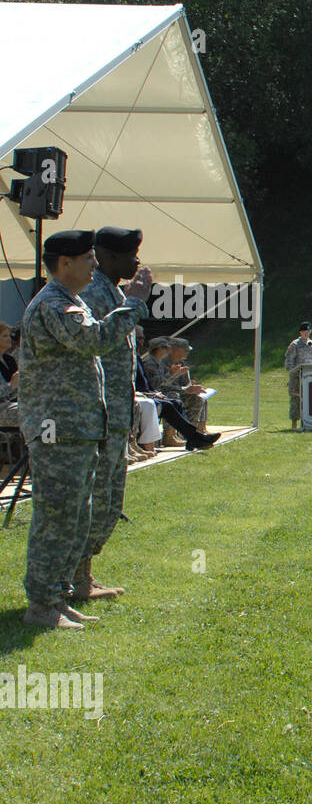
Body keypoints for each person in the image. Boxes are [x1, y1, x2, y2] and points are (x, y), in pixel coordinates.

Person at [17, 229, 152, 629]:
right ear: (64, 263)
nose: (94, 265)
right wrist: (134, 306)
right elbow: (95, 340)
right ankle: (42, 605)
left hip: (76, 429)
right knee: (56, 518)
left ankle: (57, 599)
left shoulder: (69, 301)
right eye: (88, 259)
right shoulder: (54, 305)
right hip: (57, 430)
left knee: (76, 517)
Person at [75, 226, 146, 601]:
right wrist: (134, 302)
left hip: (115, 415)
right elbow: (95, 341)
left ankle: (84, 572)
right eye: (129, 254)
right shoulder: (92, 293)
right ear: (107, 256)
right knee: (96, 496)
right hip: (96, 415)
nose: (136, 261)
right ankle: (77, 578)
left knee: (109, 497)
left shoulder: (114, 291)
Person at [285, 321, 312, 430]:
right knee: (296, 400)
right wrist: (293, 372)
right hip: (297, 377)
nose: (306, 333)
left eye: (308, 331)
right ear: (300, 332)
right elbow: (289, 362)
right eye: (304, 331)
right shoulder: (295, 345)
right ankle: (294, 424)